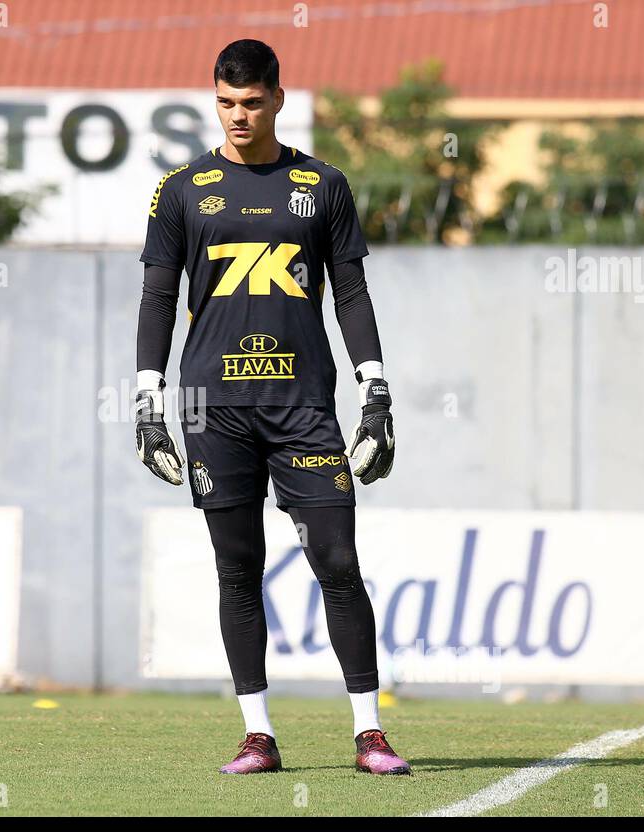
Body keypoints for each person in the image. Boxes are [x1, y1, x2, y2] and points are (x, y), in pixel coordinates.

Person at [133, 39, 409, 775]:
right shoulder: (182, 189)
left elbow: (349, 291)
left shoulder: (322, 184)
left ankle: (369, 733)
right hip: (214, 409)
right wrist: (147, 401)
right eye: (225, 103)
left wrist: (375, 392)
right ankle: (258, 734)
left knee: (337, 559)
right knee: (237, 569)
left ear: (279, 98)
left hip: (304, 407)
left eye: (252, 102)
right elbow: (160, 297)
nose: (238, 116)